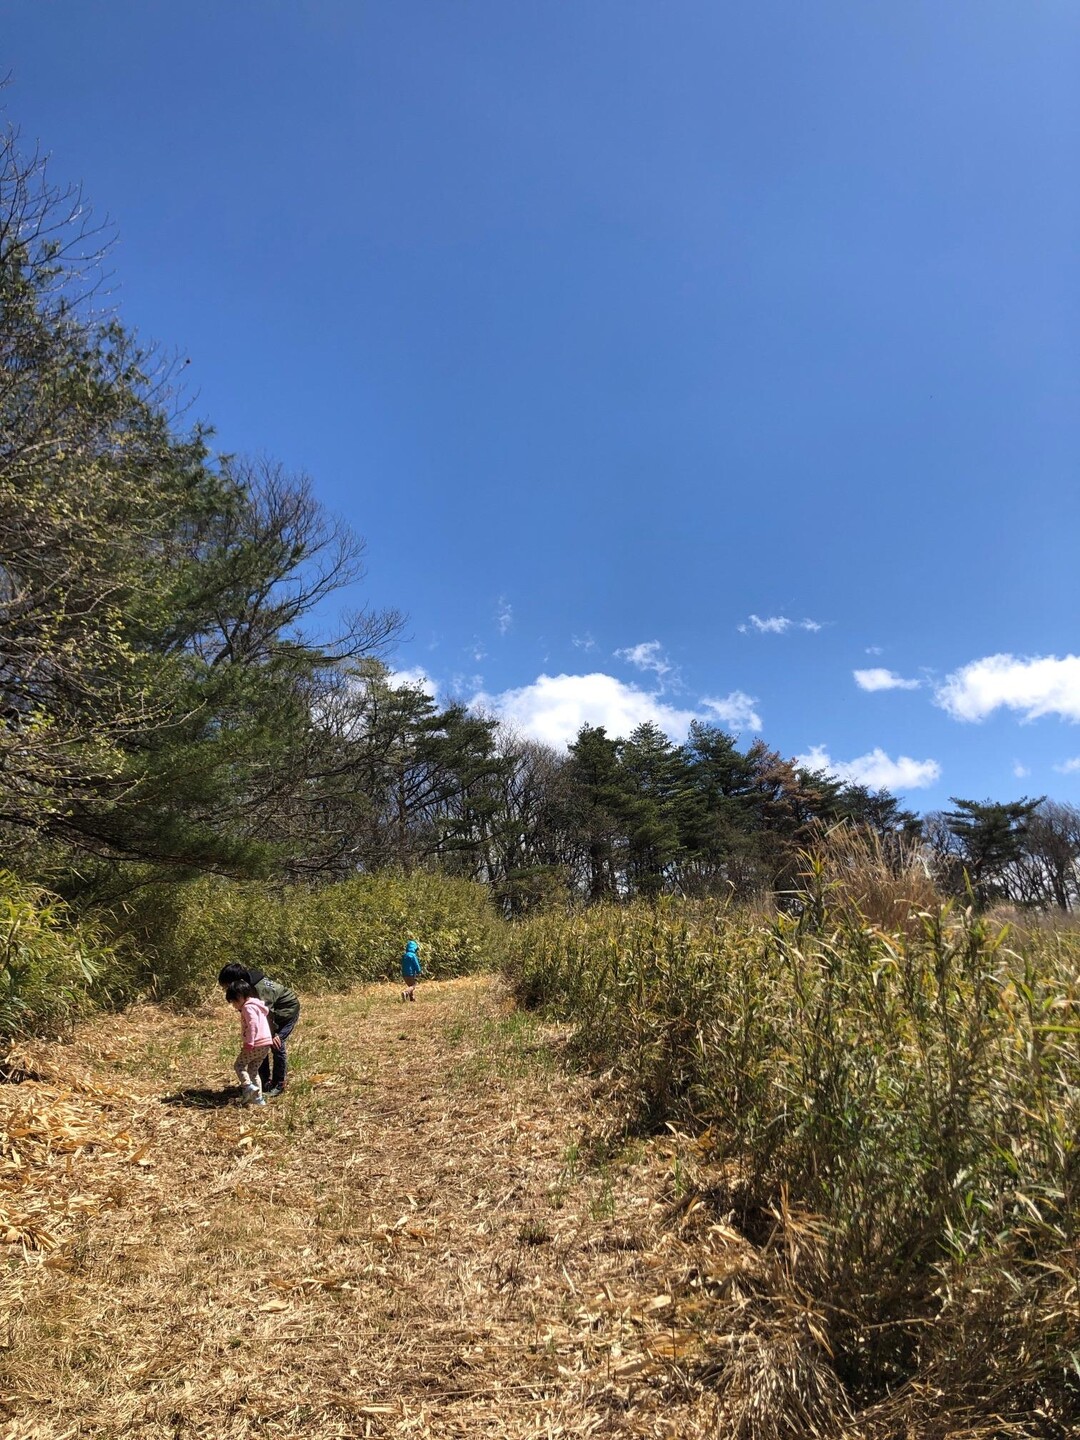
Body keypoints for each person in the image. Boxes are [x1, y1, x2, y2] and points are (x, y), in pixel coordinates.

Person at [218, 963, 301, 1096]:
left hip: (287, 1011)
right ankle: (263, 1082)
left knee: (276, 1045)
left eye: (227, 986)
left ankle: (279, 1083)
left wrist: (273, 1034)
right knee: (260, 1045)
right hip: (270, 1016)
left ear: (237, 981)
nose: (227, 990)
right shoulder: (244, 989)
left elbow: (267, 1014)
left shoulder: (258, 989)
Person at [226, 981, 272, 1106]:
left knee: (239, 1065)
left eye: (234, 1001)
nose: (234, 1005)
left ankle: (248, 1087)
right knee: (253, 1070)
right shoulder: (258, 1005)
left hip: (255, 1043)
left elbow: (252, 1024)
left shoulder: (248, 1007)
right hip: (265, 1044)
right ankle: (258, 1099)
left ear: (241, 996)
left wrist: (250, 1042)